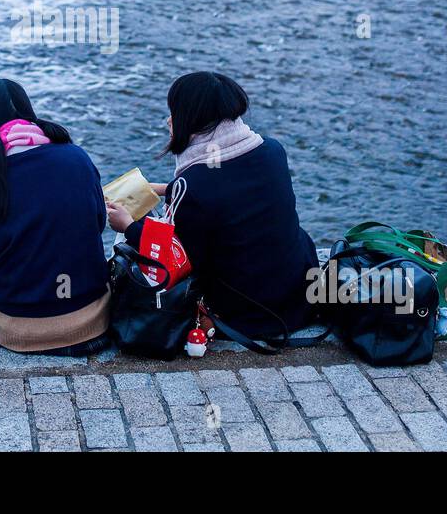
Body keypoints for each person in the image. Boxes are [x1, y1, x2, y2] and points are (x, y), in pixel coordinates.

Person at [106, 71, 319, 341]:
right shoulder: (272, 151)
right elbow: (232, 194)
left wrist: (129, 225)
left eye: (174, 112)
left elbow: (178, 258)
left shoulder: (193, 184)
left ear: (189, 118)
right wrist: (164, 189)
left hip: (245, 316)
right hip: (298, 301)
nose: (170, 120)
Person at [0, 79, 111, 356]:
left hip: (18, 329)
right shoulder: (77, 158)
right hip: (91, 319)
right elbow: (97, 223)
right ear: (30, 117)